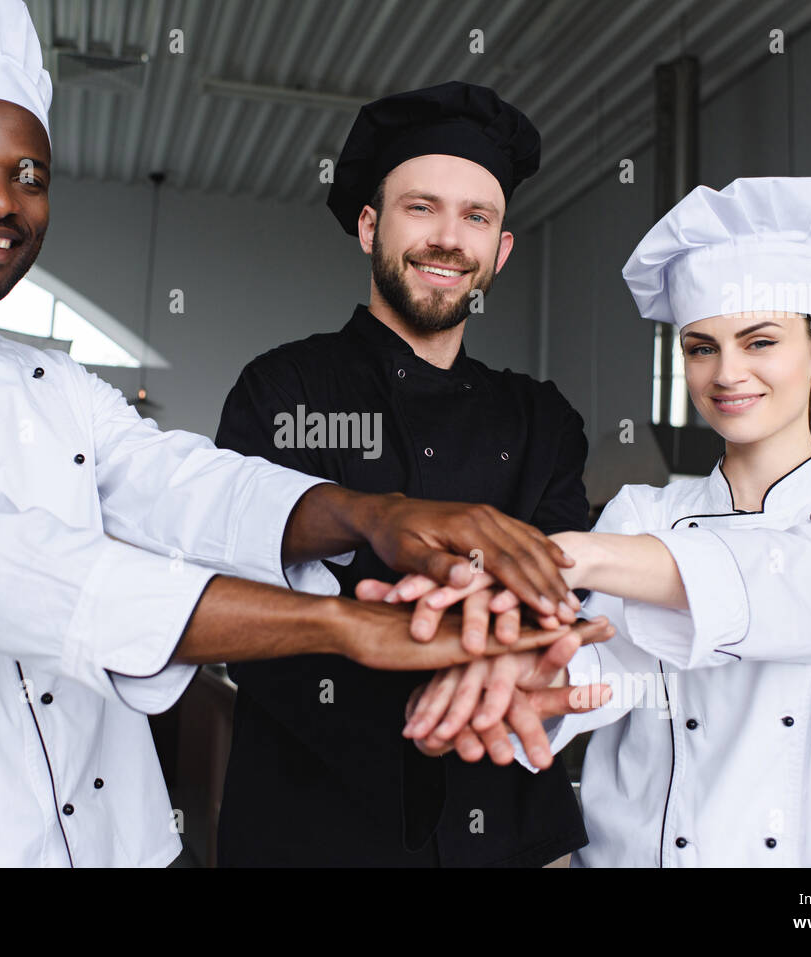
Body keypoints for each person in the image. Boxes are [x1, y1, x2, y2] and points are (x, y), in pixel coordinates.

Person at [0, 0, 604, 866]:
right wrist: (347, 624)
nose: (0, 198)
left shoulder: (63, 386)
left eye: (30, 175)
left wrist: (372, 515)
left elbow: (184, 483)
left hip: (116, 846)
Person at [388, 176, 811, 866]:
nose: (727, 373)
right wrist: (515, 684)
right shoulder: (645, 512)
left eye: (759, 342)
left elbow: (796, 582)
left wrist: (570, 553)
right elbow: (611, 665)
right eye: (700, 347)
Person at [214, 82, 610, 867]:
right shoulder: (283, 390)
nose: (447, 239)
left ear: (499, 251)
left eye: (477, 217)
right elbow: (241, 597)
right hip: (314, 826)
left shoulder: (542, 419)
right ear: (370, 226)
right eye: (421, 208)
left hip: (507, 833)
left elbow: (566, 593)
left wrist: (504, 646)